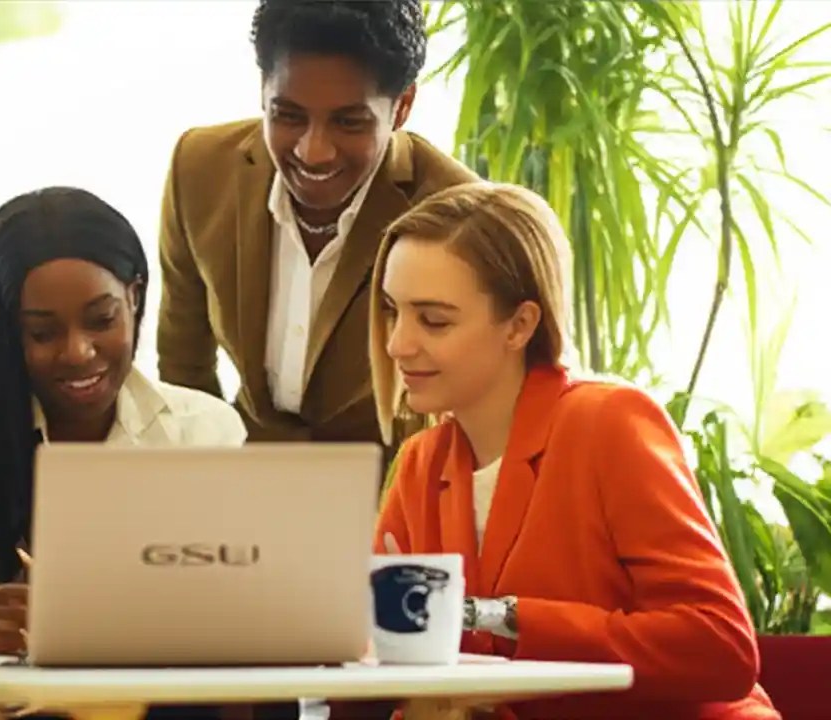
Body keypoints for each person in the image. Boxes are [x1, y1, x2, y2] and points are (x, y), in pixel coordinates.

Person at [361, 182, 776, 718]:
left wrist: (490, 615)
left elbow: (721, 646)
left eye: (434, 320)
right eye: (394, 311)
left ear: (520, 325)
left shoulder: (610, 425)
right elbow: (390, 657)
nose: (398, 343)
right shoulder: (423, 464)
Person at [0, 186, 245, 657]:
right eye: (42, 332)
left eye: (102, 319)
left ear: (134, 299)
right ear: (4, 330)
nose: (78, 352)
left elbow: (239, 604)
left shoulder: (205, 427)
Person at [156, 0, 478, 446]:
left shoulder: (459, 215)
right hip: (244, 474)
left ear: (402, 107)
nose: (314, 152)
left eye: (349, 122)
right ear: (262, 89)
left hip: (393, 488)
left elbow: (478, 407)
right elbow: (183, 371)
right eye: (288, 115)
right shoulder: (200, 170)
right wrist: (213, 487)